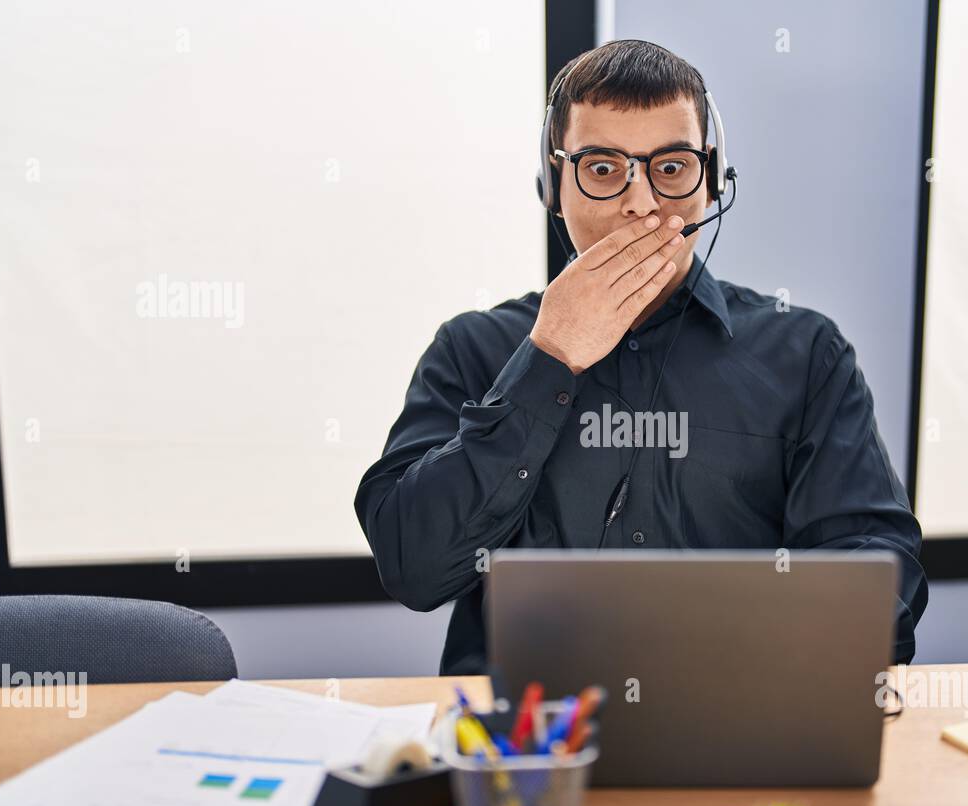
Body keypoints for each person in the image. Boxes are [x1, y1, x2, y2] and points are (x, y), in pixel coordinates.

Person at [355, 39, 927, 675]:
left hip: (739, 725)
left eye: (672, 167)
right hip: (534, 748)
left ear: (711, 181)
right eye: (603, 168)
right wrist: (549, 358)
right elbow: (414, 568)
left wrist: (770, 654)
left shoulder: (807, 353)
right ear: (552, 183)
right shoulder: (471, 349)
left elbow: (881, 567)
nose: (642, 204)